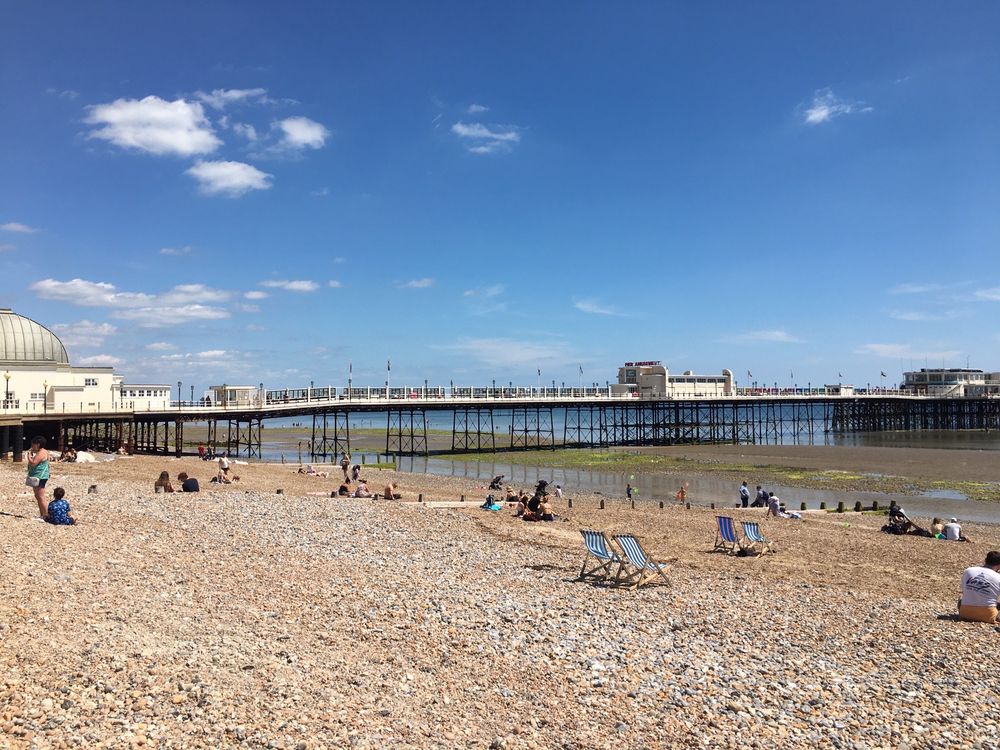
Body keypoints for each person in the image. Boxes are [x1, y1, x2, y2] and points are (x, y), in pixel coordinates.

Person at [959, 551, 1000, 623]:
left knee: (961, 599)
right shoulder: (998, 577)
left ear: (985, 560)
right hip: (989, 616)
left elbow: (965, 590)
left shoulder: (968, 570)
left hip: (964, 613)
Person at [27, 436, 50, 519]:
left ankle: (46, 515)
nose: (32, 446)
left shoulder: (42, 452)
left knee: (41, 496)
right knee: (37, 496)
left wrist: (29, 456)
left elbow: (33, 463)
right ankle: (42, 515)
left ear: (38, 444)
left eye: (33, 445)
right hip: (38, 476)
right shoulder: (42, 452)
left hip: (40, 476)